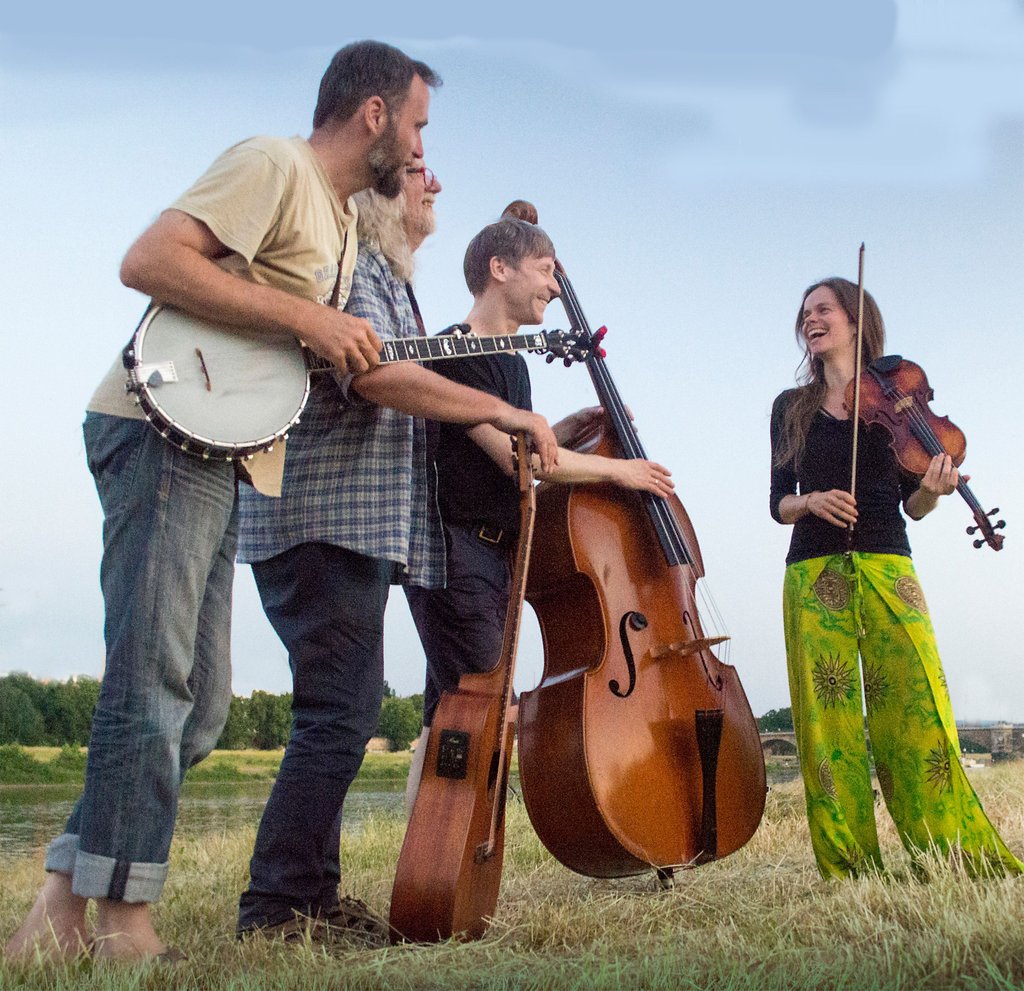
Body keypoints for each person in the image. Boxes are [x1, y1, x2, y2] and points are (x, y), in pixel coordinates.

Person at [3, 39, 435, 964]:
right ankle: (123, 923)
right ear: (374, 114)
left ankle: (54, 913)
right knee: (153, 677)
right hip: (158, 429)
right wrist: (313, 318)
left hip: (223, 455)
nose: (418, 145)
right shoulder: (273, 163)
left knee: (198, 708)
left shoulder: (341, 222)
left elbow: (282, 334)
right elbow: (150, 258)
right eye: (417, 122)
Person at [234, 176, 559, 942]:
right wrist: (506, 412)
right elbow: (375, 377)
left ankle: (309, 895)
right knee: (340, 716)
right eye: (416, 171)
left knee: (343, 714)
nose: (433, 180)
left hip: (360, 525)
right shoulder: (354, 266)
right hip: (329, 516)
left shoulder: (391, 289)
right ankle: (280, 905)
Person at [403, 217, 674, 809]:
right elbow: (515, 461)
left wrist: (573, 426)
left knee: (454, 710)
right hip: (459, 549)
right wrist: (619, 470)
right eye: (547, 271)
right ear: (500, 270)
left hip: (491, 552)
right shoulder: (457, 352)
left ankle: (437, 855)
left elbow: (530, 446)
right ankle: (456, 848)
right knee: (477, 710)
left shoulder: (513, 363)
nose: (556, 287)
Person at [769, 276, 1021, 879]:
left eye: (824, 309)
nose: (811, 319)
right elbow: (778, 500)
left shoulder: (898, 400)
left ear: (857, 319)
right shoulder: (791, 406)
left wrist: (935, 492)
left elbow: (913, 506)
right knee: (826, 727)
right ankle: (851, 868)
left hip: (888, 559)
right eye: (805, 313)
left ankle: (953, 854)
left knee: (917, 709)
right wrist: (811, 502)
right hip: (812, 569)